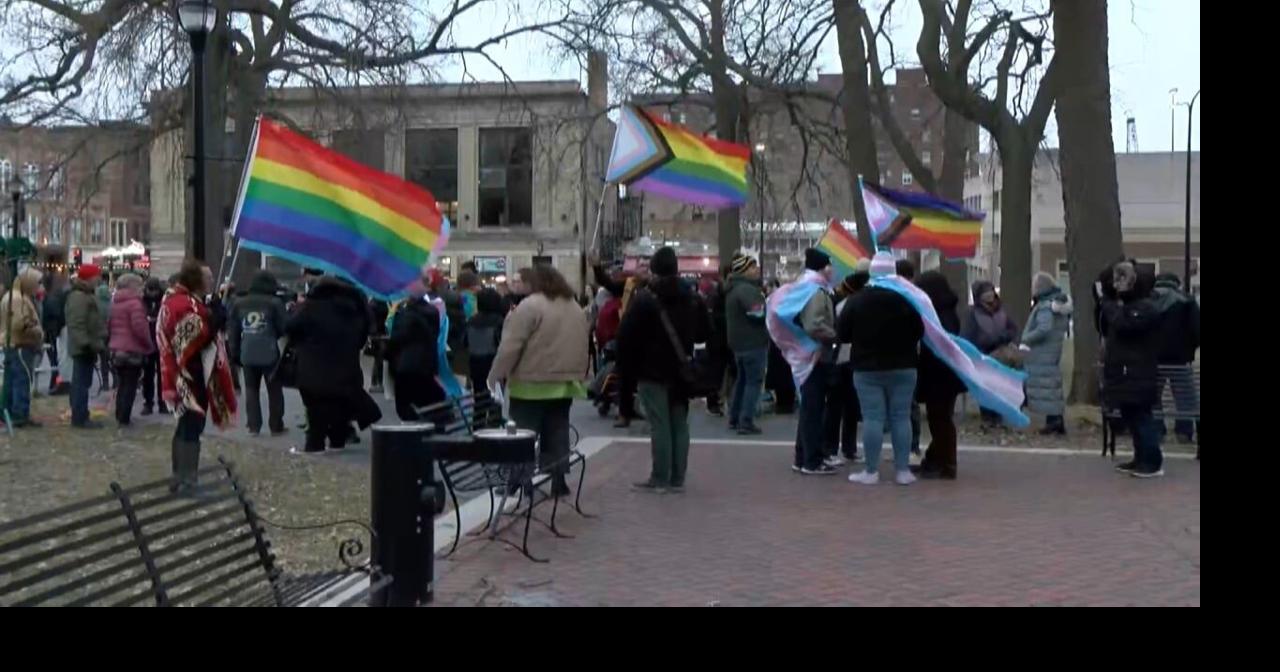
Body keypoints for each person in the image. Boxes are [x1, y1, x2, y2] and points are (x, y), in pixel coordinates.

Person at [488, 265, 590, 497]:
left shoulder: (530, 305)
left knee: (523, 435)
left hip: (531, 382)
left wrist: (496, 375)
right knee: (557, 432)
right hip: (565, 383)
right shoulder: (573, 306)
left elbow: (511, 346)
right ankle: (558, 480)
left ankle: (517, 481)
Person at [618, 246, 710, 493]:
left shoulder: (645, 299)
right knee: (680, 423)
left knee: (659, 423)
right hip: (681, 370)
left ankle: (660, 476)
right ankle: (678, 477)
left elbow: (626, 338)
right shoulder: (693, 297)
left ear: (655, 270)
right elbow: (705, 332)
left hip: (651, 371)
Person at [844, 252, 925, 486]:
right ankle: (902, 470)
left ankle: (871, 471)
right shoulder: (908, 299)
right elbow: (919, 331)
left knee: (872, 418)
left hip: (866, 367)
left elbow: (842, 332)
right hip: (904, 366)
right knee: (901, 417)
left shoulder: (857, 300)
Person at [157, 260, 237, 493]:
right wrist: (215, 320)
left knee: (186, 426)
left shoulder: (184, 301)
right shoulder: (182, 304)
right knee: (190, 427)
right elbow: (190, 339)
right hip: (189, 376)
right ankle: (187, 480)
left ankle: (180, 477)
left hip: (187, 374)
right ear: (196, 280)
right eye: (207, 277)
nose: (211, 281)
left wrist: (209, 312)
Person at [286, 276, 381, 453]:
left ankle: (315, 445)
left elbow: (290, 327)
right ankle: (337, 441)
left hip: (314, 367)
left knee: (316, 409)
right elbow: (362, 337)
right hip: (346, 367)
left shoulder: (310, 306)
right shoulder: (354, 308)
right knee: (339, 404)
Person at [1100, 260, 1164, 478]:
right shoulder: (1127, 307)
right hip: (1126, 372)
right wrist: (1104, 301)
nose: (1118, 285)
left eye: (1122, 280)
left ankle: (1152, 462)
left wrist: (1108, 304)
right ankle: (1141, 458)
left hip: (1138, 372)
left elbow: (1124, 325)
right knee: (1132, 415)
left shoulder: (1146, 308)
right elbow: (1107, 325)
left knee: (1142, 417)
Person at [911, 271, 967, 480]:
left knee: (940, 419)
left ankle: (947, 463)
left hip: (940, 375)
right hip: (944, 374)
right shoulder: (946, 311)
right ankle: (934, 458)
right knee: (940, 419)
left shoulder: (940, 315)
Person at [229, 270, 288, 436]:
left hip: (247, 351)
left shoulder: (239, 303)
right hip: (269, 351)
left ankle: (254, 425)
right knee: (275, 390)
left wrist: (235, 352)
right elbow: (284, 327)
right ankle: (276, 425)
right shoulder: (274, 302)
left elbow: (233, 330)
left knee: (251, 389)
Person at [387, 279, 448, 422]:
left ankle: (413, 427)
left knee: (404, 402)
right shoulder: (433, 312)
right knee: (430, 398)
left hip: (404, 363)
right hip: (426, 363)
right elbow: (435, 334)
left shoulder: (402, 314)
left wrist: (389, 358)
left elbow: (396, 339)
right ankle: (434, 424)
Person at [1150, 273, 1200, 443]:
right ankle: (1184, 431)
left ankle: (1157, 430)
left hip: (1153, 358)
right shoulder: (1186, 301)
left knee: (1153, 396)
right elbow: (1197, 330)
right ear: (1176, 284)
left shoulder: (1148, 301)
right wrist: (1190, 348)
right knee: (1184, 397)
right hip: (1180, 358)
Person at [962, 280, 1018, 428]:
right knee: (986, 388)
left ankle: (998, 416)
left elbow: (1012, 329)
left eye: (990, 292)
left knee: (1000, 388)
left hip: (1001, 355)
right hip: (983, 356)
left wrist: (1003, 337)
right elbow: (968, 336)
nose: (989, 296)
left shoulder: (1002, 311)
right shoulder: (973, 314)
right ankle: (987, 417)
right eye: (985, 293)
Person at [1021, 272, 1073, 435]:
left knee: (1045, 387)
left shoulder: (1044, 306)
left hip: (1041, 353)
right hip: (1052, 351)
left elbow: (1044, 328)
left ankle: (1053, 422)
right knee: (1052, 386)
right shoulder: (1059, 305)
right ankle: (1056, 420)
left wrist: (1026, 339)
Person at [830, 265, 871, 462]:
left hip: (844, 356)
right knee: (847, 405)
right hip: (850, 356)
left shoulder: (843, 304)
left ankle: (836, 448)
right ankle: (846, 448)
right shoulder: (851, 305)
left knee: (842, 404)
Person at [724, 253, 769, 435]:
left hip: (739, 343)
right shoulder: (747, 291)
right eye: (752, 267)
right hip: (753, 342)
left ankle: (735, 417)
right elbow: (758, 314)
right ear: (744, 270)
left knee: (742, 380)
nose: (757, 269)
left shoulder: (733, 289)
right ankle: (746, 420)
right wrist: (767, 308)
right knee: (753, 382)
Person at [106, 273, 154, 427]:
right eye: (140, 285)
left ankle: (120, 414)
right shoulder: (135, 304)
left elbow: (109, 325)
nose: (142, 289)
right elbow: (140, 327)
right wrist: (148, 344)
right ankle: (124, 417)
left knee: (121, 384)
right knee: (130, 385)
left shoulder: (115, 302)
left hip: (116, 348)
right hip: (132, 349)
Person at [2, 267, 45, 428]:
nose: (39, 286)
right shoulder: (17, 299)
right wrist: (36, 330)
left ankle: (15, 412)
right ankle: (20, 414)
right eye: (37, 282)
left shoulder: (18, 296)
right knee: (21, 380)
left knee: (15, 379)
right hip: (20, 344)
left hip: (17, 344)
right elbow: (19, 324)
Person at [66, 264, 108, 429]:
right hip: (83, 347)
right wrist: (85, 343)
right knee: (80, 384)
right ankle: (79, 417)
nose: (99, 279)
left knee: (84, 383)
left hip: (88, 346)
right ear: (89, 278)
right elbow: (76, 323)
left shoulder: (86, 295)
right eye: (96, 276)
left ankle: (82, 414)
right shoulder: (79, 297)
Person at [466, 287, 506, 394]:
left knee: (478, 394)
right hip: (494, 362)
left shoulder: (471, 321)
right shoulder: (499, 321)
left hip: (475, 362)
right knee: (496, 396)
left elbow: (465, 342)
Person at [141, 276, 168, 415]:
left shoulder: (164, 300)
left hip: (161, 340)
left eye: (154, 290)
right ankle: (148, 402)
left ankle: (163, 402)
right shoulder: (142, 300)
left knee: (162, 375)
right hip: (148, 340)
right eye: (150, 290)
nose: (152, 293)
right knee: (148, 374)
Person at [41, 273, 69, 395]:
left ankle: (57, 382)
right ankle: (56, 382)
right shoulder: (54, 297)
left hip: (51, 332)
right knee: (55, 359)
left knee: (55, 359)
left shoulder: (50, 299)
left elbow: (52, 317)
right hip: (53, 331)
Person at [94, 278, 114, 391]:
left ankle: (105, 383)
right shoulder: (112, 305)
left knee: (103, 361)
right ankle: (116, 380)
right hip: (111, 335)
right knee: (111, 359)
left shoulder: (96, 305)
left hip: (100, 335)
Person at [368, 298, 390, 394]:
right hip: (377, 333)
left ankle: (376, 383)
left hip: (378, 332)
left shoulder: (379, 302)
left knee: (378, 357)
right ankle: (376, 383)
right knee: (379, 357)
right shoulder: (376, 304)